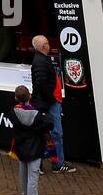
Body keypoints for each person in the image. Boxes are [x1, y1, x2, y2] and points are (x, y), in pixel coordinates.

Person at [30, 35, 75, 173]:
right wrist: (51, 99)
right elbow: (40, 84)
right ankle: (56, 164)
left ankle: (49, 163)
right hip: (48, 103)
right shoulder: (41, 61)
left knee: (50, 134)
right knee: (54, 134)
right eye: (48, 43)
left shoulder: (41, 60)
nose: (49, 45)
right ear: (44, 46)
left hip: (48, 102)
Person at [10, 85, 52, 195]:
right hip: (35, 147)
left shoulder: (13, 111)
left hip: (21, 147)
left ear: (16, 98)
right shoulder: (37, 114)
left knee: (23, 173)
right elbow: (50, 124)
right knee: (33, 175)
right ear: (30, 96)